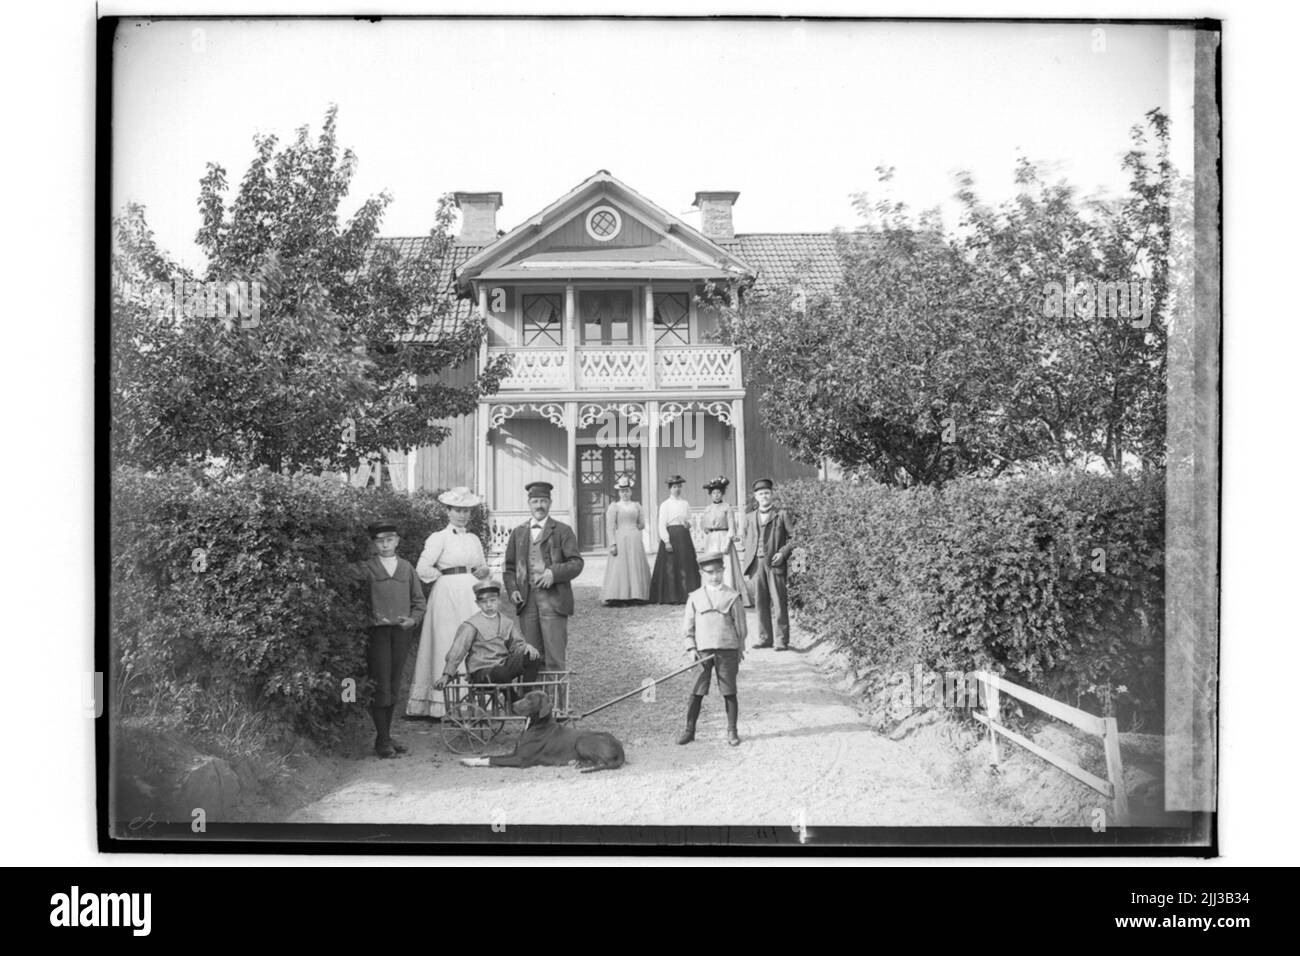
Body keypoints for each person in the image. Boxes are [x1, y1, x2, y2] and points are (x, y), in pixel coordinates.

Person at [406, 488, 490, 719]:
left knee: (474, 642)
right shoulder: (438, 538)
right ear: (448, 511)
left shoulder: (473, 539)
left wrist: (483, 573)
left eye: (466, 511)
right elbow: (422, 568)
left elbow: (482, 568)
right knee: (446, 641)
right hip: (447, 595)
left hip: (472, 595)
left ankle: (472, 701)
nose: (462, 515)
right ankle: (439, 703)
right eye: (458, 510)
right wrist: (443, 580)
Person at [356, 519, 426, 758]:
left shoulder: (407, 568)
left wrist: (413, 620)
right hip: (378, 633)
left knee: (394, 683)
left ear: (397, 541)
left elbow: (419, 602)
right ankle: (383, 740)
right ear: (374, 544)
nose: (385, 545)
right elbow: (353, 596)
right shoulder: (367, 567)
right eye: (380, 541)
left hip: (401, 632)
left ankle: (385, 736)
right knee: (381, 683)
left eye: (389, 540)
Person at [502, 481, 585, 672]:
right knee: (531, 657)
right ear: (529, 504)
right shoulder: (518, 533)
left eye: (544, 501)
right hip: (527, 602)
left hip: (554, 600)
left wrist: (554, 573)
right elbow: (509, 568)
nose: (539, 505)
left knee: (555, 657)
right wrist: (513, 589)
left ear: (550, 503)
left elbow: (576, 563)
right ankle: (534, 701)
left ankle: (556, 701)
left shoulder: (563, 531)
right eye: (535, 501)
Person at [678, 551, 748, 746]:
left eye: (718, 571)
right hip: (702, 652)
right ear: (702, 573)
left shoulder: (732, 597)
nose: (714, 576)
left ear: (724, 571)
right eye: (710, 573)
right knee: (697, 691)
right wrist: (691, 649)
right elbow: (688, 628)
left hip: (727, 650)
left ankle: (732, 731)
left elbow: (741, 627)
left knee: (729, 691)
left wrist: (739, 648)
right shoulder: (694, 598)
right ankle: (689, 731)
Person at [433, 579, 542, 691]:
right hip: (482, 670)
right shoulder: (471, 625)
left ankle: (527, 696)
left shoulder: (507, 622)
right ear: (478, 604)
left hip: (503, 665)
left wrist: (526, 647)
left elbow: (517, 644)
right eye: (484, 602)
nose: (489, 605)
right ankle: (515, 702)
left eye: (492, 601)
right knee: (501, 673)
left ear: (499, 600)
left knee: (532, 657)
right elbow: (458, 650)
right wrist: (447, 674)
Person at [739, 477, 796, 651]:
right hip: (756, 564)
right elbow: (746, 538)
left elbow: (796, 537)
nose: (764, 496)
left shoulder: (782, 515)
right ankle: (764, 638)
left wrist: (783, 553)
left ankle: (781, 640)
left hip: (775, 563)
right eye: (761, 493)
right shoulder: (749, 517)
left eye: (767, 493)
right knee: (760, 602)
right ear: (755, 497)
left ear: (772, 495)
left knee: (779, 601)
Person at [600, 475, 652, 605]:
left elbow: (642, 524)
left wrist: (636, 526)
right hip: (620, 538)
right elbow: (610, 526)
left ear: (631, 491)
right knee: (621, 566)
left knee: (635, 565)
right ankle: (618, 596)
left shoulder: (637, 505)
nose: (625, 493)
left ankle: (636, 595)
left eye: (627, 490)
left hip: (634, 539)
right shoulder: (614, 506)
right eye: (622, 491)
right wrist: (612, 544)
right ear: (619, 492)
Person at [700, 476, 751, 607]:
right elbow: (704, 526)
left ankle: (728, 597)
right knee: (712, 566)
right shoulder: (708, 509)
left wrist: (727, 543)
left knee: (726, 567)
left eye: (718, 493)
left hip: (723, 538)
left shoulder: (727, 507)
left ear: (722, 494)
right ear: (710, 495)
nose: (716, 495)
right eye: (713, 493)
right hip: (711, 539)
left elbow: (732, 528)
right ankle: (712, 596)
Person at [649, 475, 700, 604]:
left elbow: (689, 519)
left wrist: (688, 524)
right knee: (671, 566)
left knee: (685, 564)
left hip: (684, 537)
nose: (677, 489)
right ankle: (671, 596)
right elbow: (661, 524)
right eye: (674, 487)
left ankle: (686, 594)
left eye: (679, 486)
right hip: (671, 536)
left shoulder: (685, 503)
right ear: (670, 489)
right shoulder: (665, 505)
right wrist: (666, 541)